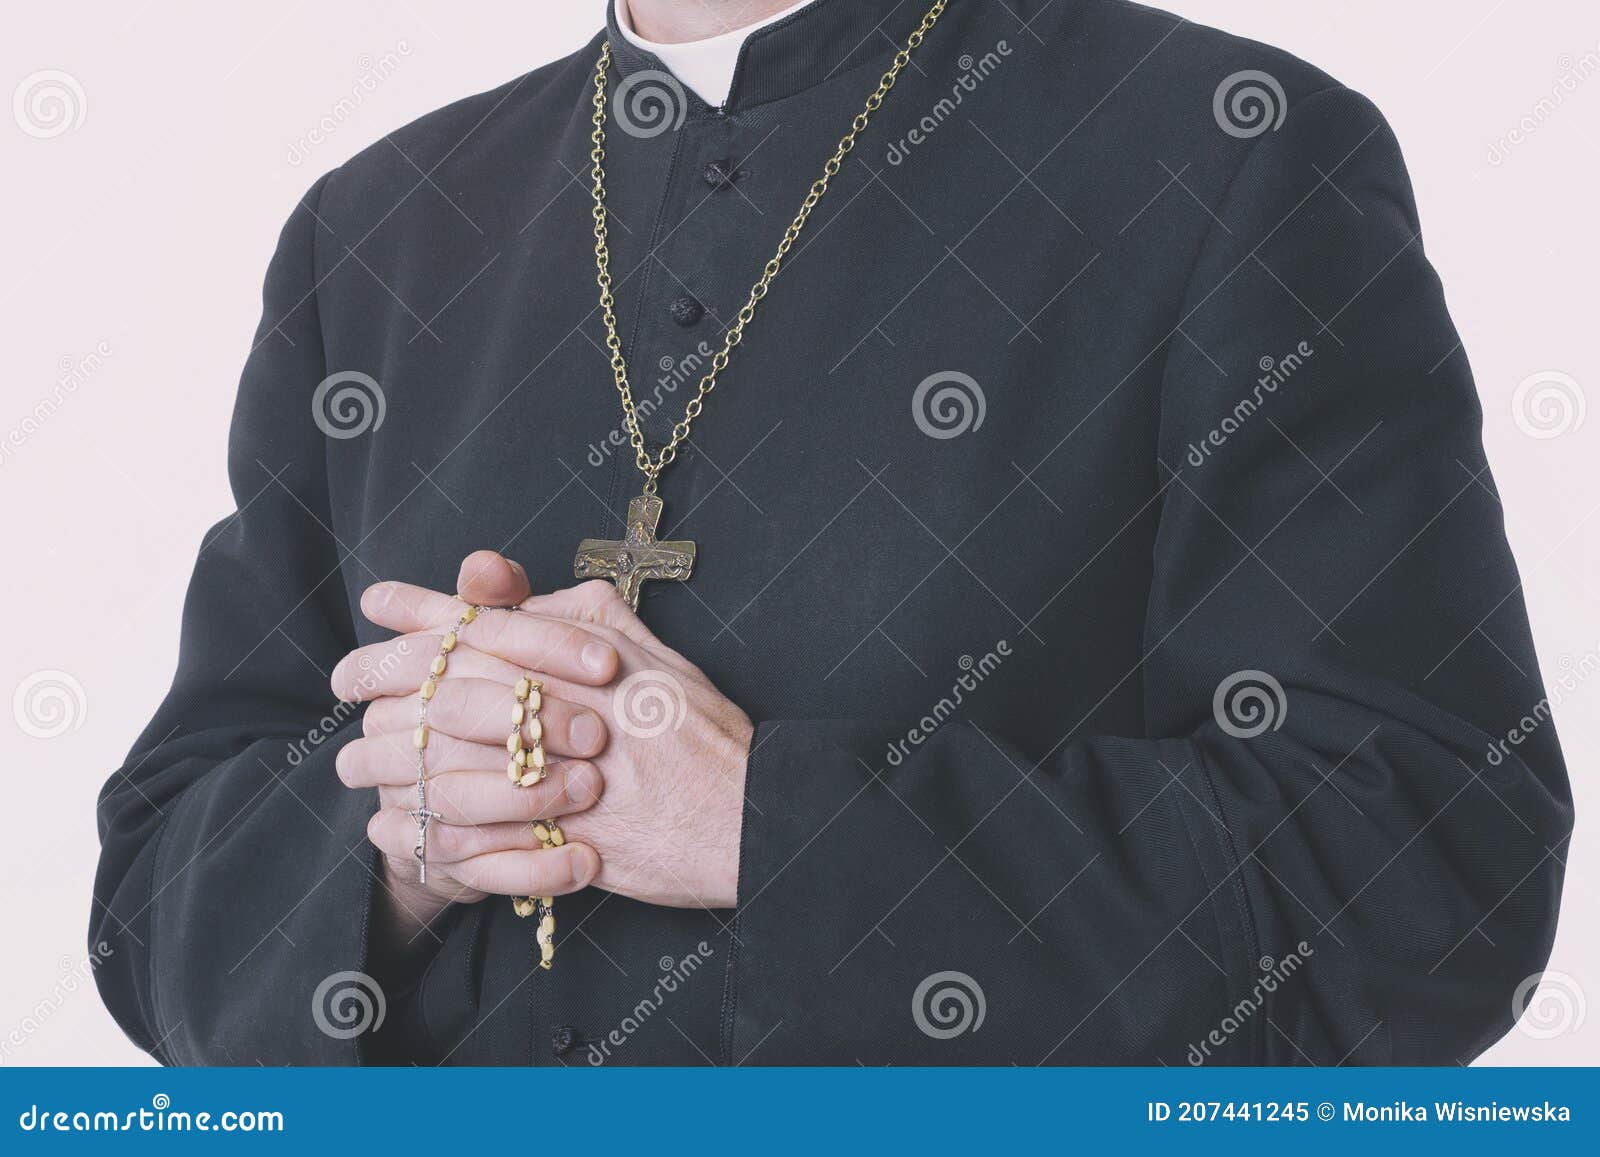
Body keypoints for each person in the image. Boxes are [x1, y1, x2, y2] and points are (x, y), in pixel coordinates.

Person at [92, 0, 1573, 1065]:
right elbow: (149, 902)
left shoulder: (1223, 154)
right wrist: (404, 835)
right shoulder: (379, 228)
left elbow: (1430, 874)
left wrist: (769, 829)